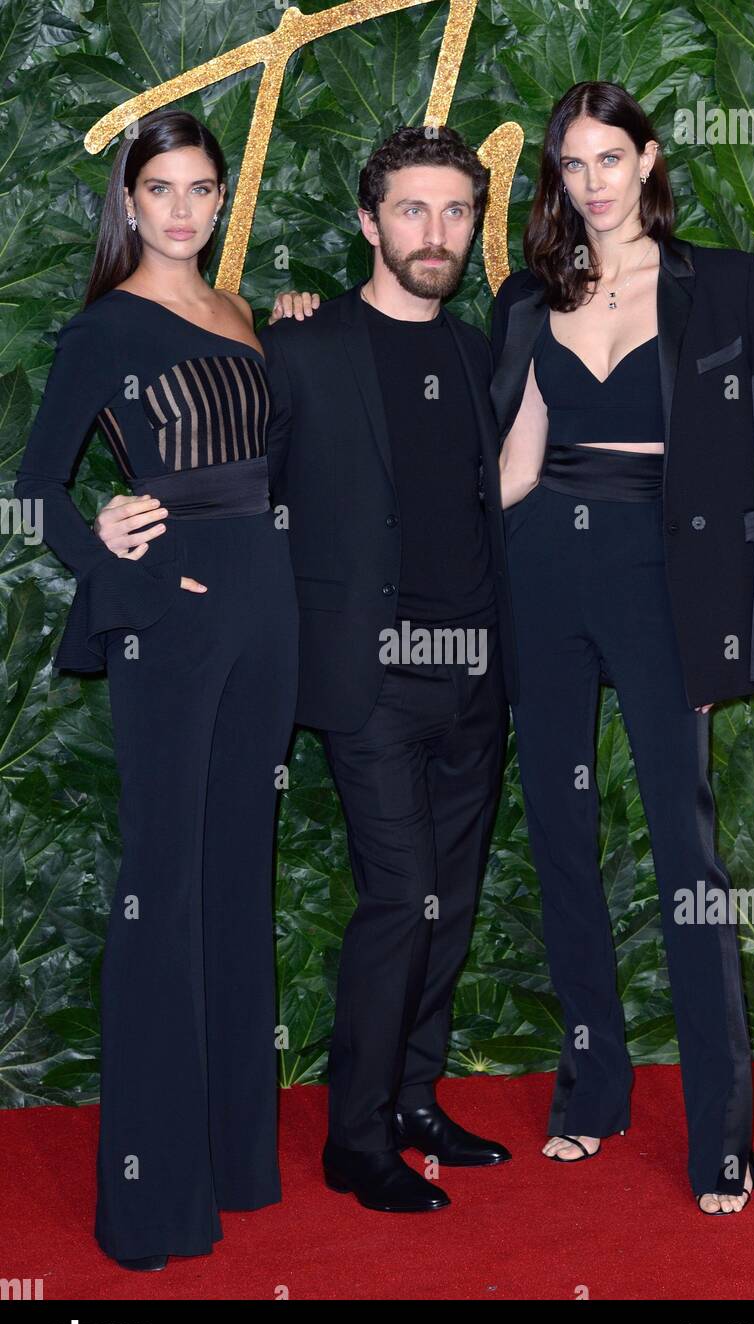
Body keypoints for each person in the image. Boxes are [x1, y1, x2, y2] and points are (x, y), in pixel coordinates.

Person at [89, 125, 520, 1215]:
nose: (434, 232)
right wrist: (131, 532)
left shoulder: (474, 353)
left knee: (451, 902)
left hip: (476, 667)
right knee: (400, 900)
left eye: (454, 211)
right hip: (364, 674)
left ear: (472, 225)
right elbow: (227, 485)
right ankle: (355, 1138)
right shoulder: (302, 343)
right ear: (369, 224)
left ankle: (417, 1099)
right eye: (411, 211)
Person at [491, 82, 754, 1212]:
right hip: (542, 567)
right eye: (570, 165)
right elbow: (514, 463)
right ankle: (591, 1089)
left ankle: (720, 1132)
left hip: (662, 574)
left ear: (647, 160)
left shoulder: (718, 281)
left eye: (607, 160)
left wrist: (746, 634)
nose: (590, 184)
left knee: (688, 857)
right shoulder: (527, 297)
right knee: (561, 832)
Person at [14, 110, 298, 1267]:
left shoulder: (240, 314)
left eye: (200, 189)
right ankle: (150, 1201)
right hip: (171, 617)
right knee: (161, 890)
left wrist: (298, 321)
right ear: (128, 202)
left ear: (221, 200)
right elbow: (36, 487)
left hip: (269, 609)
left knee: (238, 882)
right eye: (160, 189)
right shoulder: (103, 330)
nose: (181, 208)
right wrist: (107, 543)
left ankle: (234, 1159)